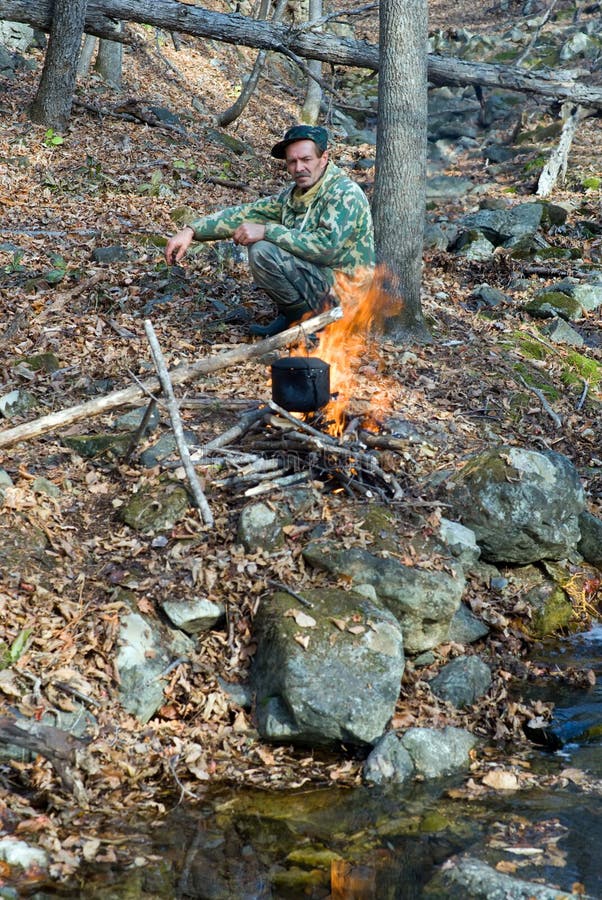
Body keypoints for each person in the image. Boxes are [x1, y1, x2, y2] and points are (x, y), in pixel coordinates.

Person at [164, 124, 375, 337]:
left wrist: (267, 231)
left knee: (263, 250)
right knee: (263, 247)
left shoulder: (344, 193)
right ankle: (298, 319)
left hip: (348, 300)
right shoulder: (293, 195)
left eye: (306, 159)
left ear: (324, 158)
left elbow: (325, 247)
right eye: (292, 161)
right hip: (322, 286)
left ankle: (316, 328)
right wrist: (192, 230)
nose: (299, 167)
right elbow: (246, 214)